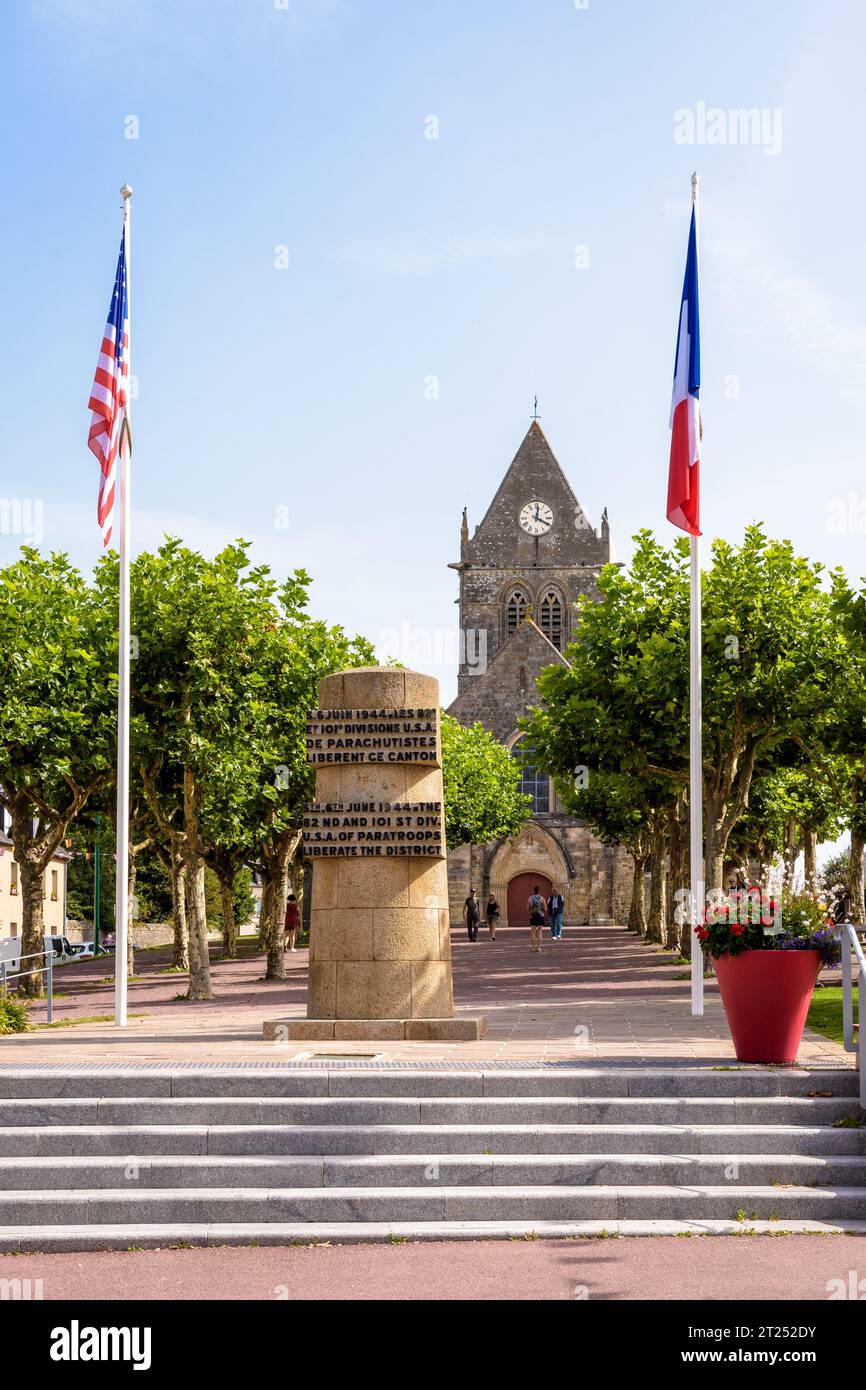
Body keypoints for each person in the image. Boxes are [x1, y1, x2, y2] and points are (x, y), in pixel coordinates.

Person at [527, 885, 547, 953]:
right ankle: (538, 947)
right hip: (540, 916)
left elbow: (527, 908)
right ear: (539, 891)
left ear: (533, 891)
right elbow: (545, 909)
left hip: (532, 916)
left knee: (533, 932)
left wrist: (532, 910)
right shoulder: (542, 898)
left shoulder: (530, 898)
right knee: (539, 932)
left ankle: (533, 947)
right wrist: (541, 909)